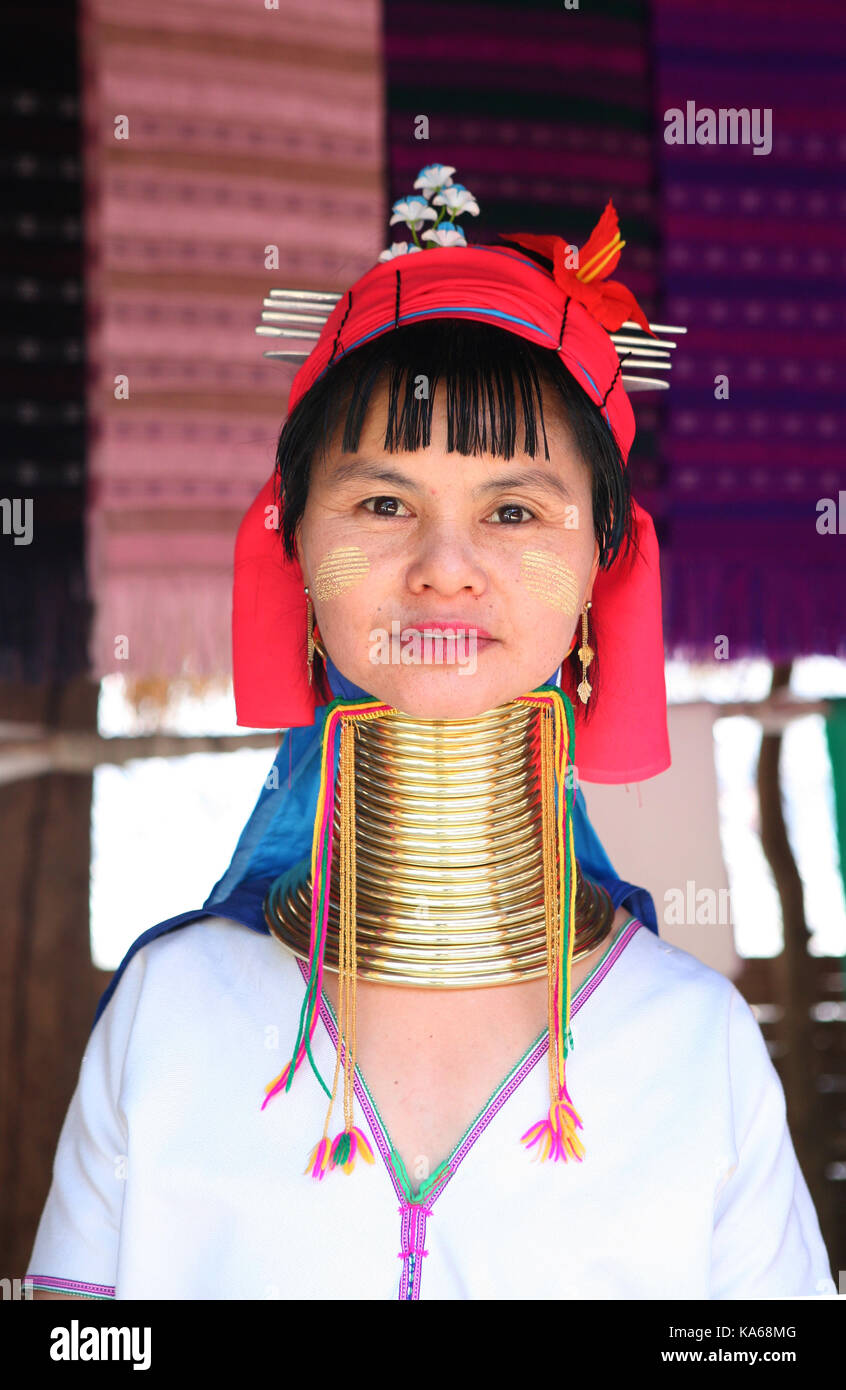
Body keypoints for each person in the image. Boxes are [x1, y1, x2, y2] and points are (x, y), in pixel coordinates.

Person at [27, 168, 836, 1300]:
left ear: (606, 565)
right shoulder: (168, 1017)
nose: (443, 567)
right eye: (380, 503)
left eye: (514, 510)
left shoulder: (698, 1047)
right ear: (294, 551)